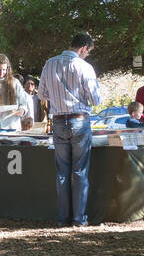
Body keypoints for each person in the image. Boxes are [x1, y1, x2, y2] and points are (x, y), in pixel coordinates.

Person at [39, 34, 101, 228]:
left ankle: (62, 218)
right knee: (80, 171)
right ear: (83, 48)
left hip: (58, 121)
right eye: (88, 52)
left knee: (62, 172)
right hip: (79, 121)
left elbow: (42, 94)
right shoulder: (84, 67)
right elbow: (96, 99)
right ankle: (79, 218)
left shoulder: (49, 63)